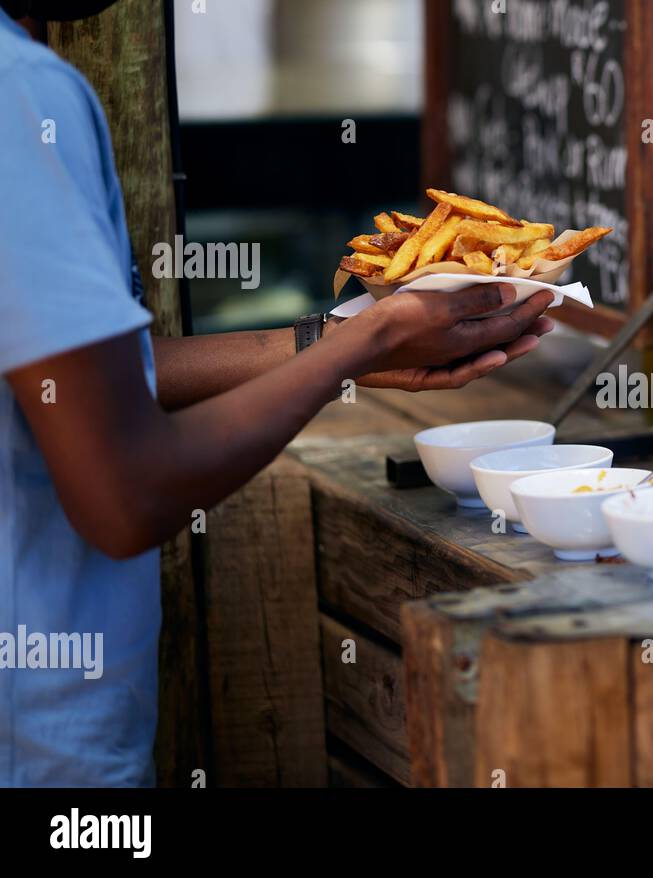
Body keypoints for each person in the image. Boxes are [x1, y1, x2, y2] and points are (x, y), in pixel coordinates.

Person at [0, 0, 554, 786]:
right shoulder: (21, 94)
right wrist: (369, 339)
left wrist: (327, 345)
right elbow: (123, 491)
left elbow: (74, 386)